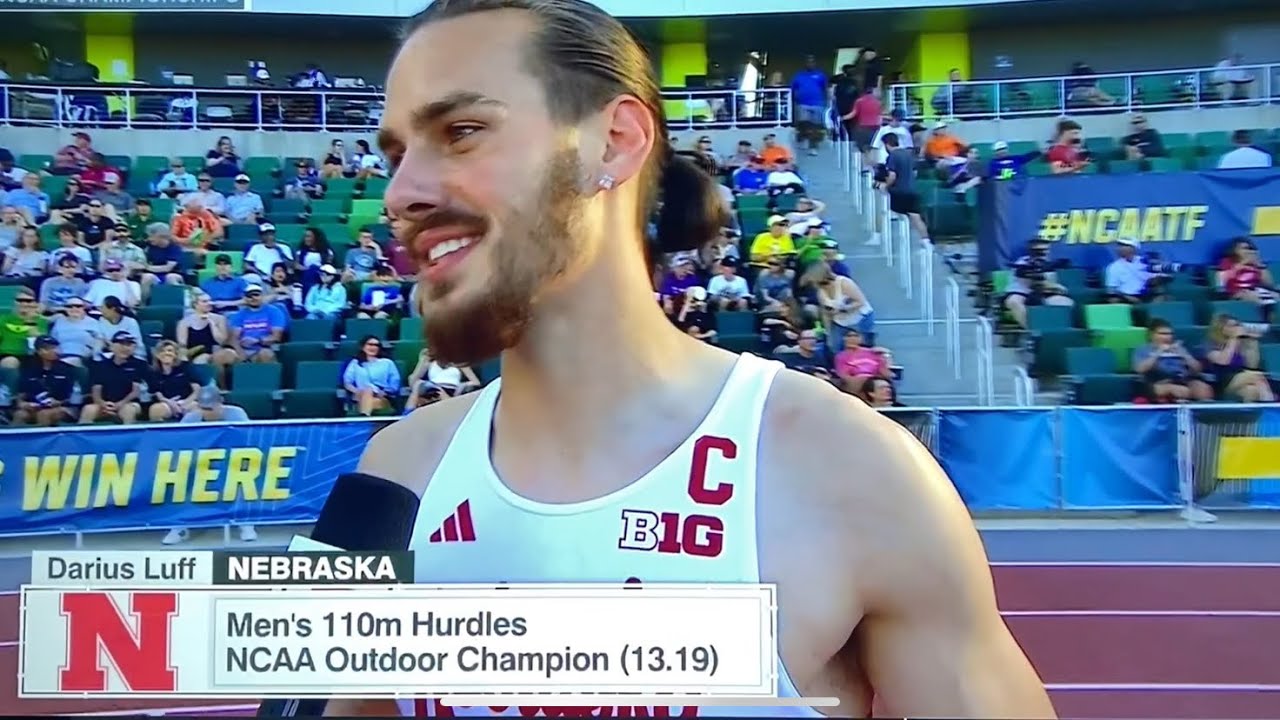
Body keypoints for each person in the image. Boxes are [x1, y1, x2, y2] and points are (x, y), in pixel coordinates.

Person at [334, 2, 1053, 718]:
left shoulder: (855, 471)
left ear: (613, 142)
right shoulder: (390, 476)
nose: (400, 195)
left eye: (461, 133)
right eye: (396, 155)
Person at [162, 385, 256, 546]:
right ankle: (180, 527)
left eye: (211, 408)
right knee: (180, 478)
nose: (208, 412)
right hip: (201, 464)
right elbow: (179, 445)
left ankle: (245, 523)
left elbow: (249, 441)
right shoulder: (191, 418)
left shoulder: (237, 414)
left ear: (221, 403)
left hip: (231, 461)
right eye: (204, 408)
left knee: (242, 476)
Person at [1132, 319, 1212, 403]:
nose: (1168, 337)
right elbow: (1139, 369)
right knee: (1180, 391)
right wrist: (1158, 352)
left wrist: (1185, 355)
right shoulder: (1143, 349)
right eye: (1163, 334)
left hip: (1182, 379)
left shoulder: (1180, 348)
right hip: (1156, 381)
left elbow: (1197, 369)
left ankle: (1208, 414)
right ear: (1151, 335)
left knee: (1204, 390)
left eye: (1170, 334)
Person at [12, 336, 77, 427]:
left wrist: (58, 402)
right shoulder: (28, 369)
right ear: (38, 351)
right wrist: (23, 403)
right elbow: (21, 393)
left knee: (44, 414)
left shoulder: (66, 369)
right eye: (47, 349)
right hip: (35, 406)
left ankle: (41, 441)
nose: (53, 351)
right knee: (20, 415)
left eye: (55, 348)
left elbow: (72, 396)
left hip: (62, 407)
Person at [341, 335, 402, 416]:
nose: (373, 347)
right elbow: (347, 382)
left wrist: (385, 392)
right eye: (370, 344)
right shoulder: (355, 363)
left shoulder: (387, 362)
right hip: (360, 395)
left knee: (371, 396)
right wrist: (357, 391)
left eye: (376, 345)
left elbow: (395, 383)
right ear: (363, 347)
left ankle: (364, 416)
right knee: (368, 392)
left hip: (382, 395)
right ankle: (366, 415)